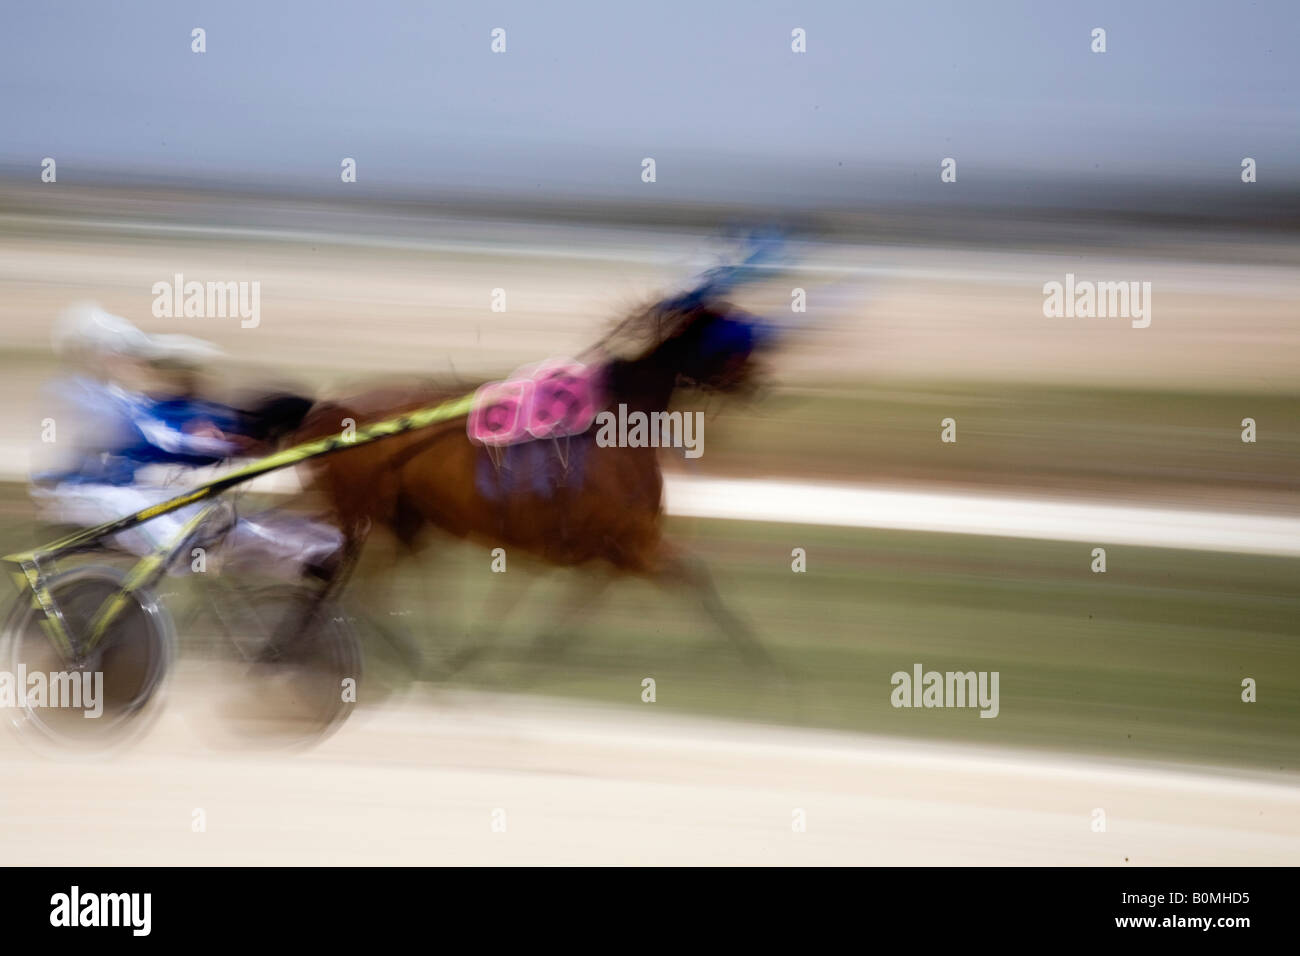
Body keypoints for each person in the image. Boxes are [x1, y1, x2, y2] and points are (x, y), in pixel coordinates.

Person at [32, 303, 342, 579]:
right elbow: (149, 440)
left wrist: (225, 447)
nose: (126, 362)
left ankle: (316, 550)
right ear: (91, 353)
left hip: (126, 493)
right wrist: (225, 446)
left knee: (219, 519)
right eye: (116, 353)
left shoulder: (121, 397)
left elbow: (162, 441)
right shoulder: (79, 394)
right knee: (184, 537)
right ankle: (196, 557)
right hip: (86, 495)